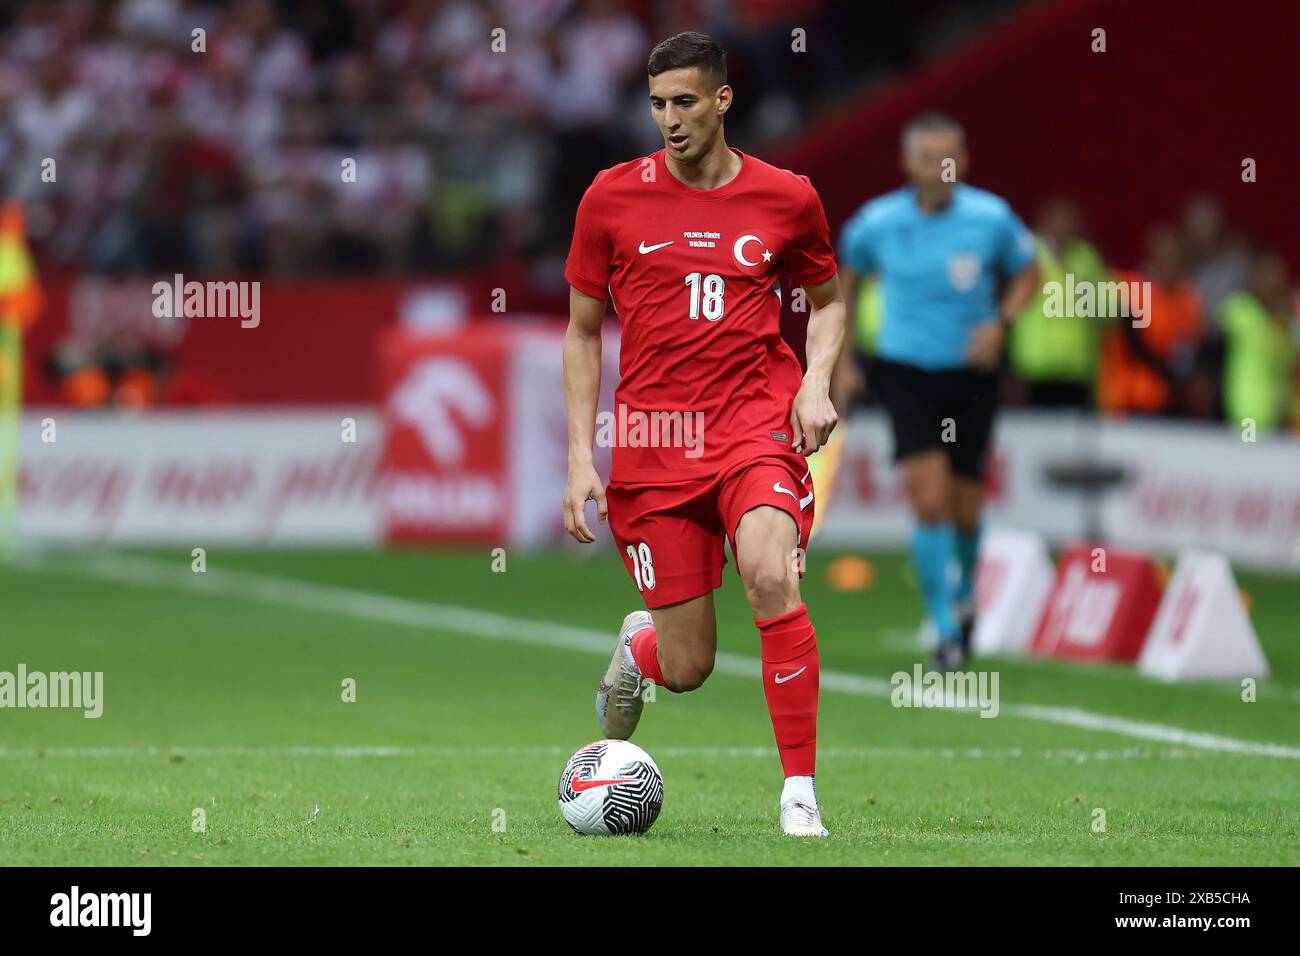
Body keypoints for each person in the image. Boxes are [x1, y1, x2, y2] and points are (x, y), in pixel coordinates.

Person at [561, 32, 846, 837]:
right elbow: (582, 333)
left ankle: (799, 794)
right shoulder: (609, 199)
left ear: (723, 100)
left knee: (768, 575)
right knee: (687, 668)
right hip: (654, 445)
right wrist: (582, 457)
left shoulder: (787, 196)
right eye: (656, 105)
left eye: (684, 102)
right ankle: (640, 648)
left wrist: (815, 382)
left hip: (755, 426)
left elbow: (827, 302)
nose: (669, 120)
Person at [835, 112, 1040, 671]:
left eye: (951, 156)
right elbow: (843, 282)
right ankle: (945, 627)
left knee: (967, 508)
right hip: (905, 373)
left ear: (965, 160)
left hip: (971, 376)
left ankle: (967, 596)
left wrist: (1002, 321)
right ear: (908, 164)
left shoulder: (990, 217)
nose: (941, 168)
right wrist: (845, 360)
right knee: (929, 500)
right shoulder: (876, 224)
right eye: (929, 157)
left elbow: (1030, 272)